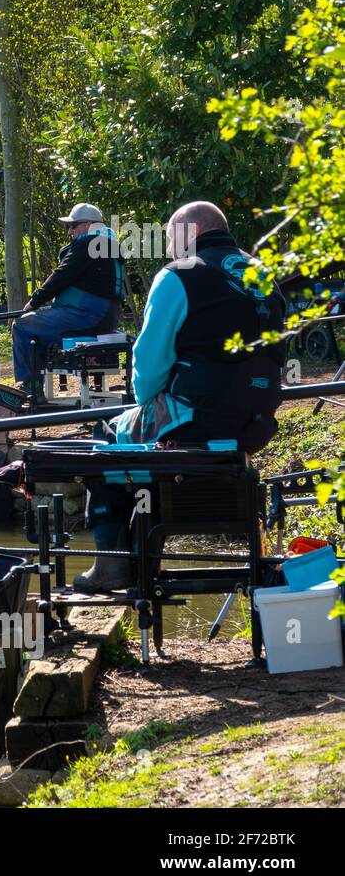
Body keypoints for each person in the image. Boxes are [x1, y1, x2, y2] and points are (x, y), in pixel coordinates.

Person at [75, 200, 286, 592]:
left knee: (106, 435)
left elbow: (150, 358)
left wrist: (147, 403)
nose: (169, 248)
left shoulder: (179, 274)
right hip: (255, 423)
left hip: (194, 418)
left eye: (171, 238)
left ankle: (112, 564)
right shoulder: (262, 274)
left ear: (189, 233)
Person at [12, 203, 123, 401]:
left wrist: (33, 302)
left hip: (88, 316)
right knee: (38, 331)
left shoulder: (89, 244)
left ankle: (29, 389)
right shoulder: (108, 244)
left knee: (22, 325)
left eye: (73, 226)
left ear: (89, 224)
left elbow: (61, 276)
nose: (70, 231)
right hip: (107, 317)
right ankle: (35, 388)